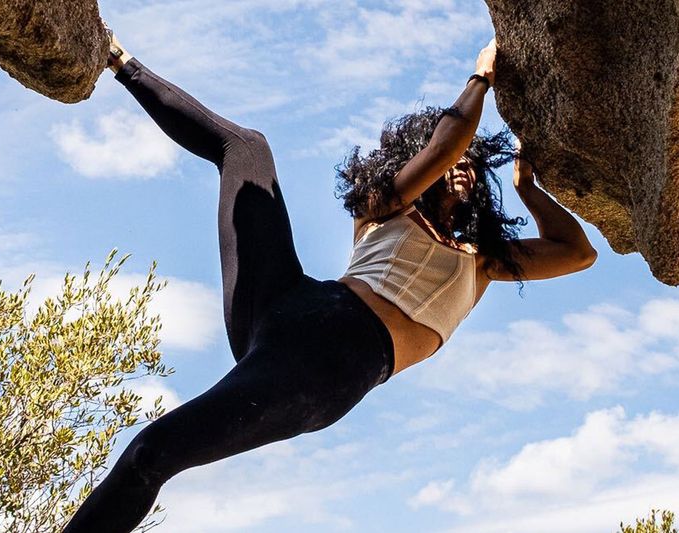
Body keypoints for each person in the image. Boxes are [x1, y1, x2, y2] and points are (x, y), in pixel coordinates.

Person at [63, 30, 596, 532]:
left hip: (328, 366)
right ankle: (118, 59)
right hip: (284, 306)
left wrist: (527, 186)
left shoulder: (484, 262)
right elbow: (444, 148)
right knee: (247, 147)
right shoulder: (386, 208)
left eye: (477, 165)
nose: (466, 168)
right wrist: (481, 76)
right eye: (462, 158)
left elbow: (579, 254)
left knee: (152, 454)